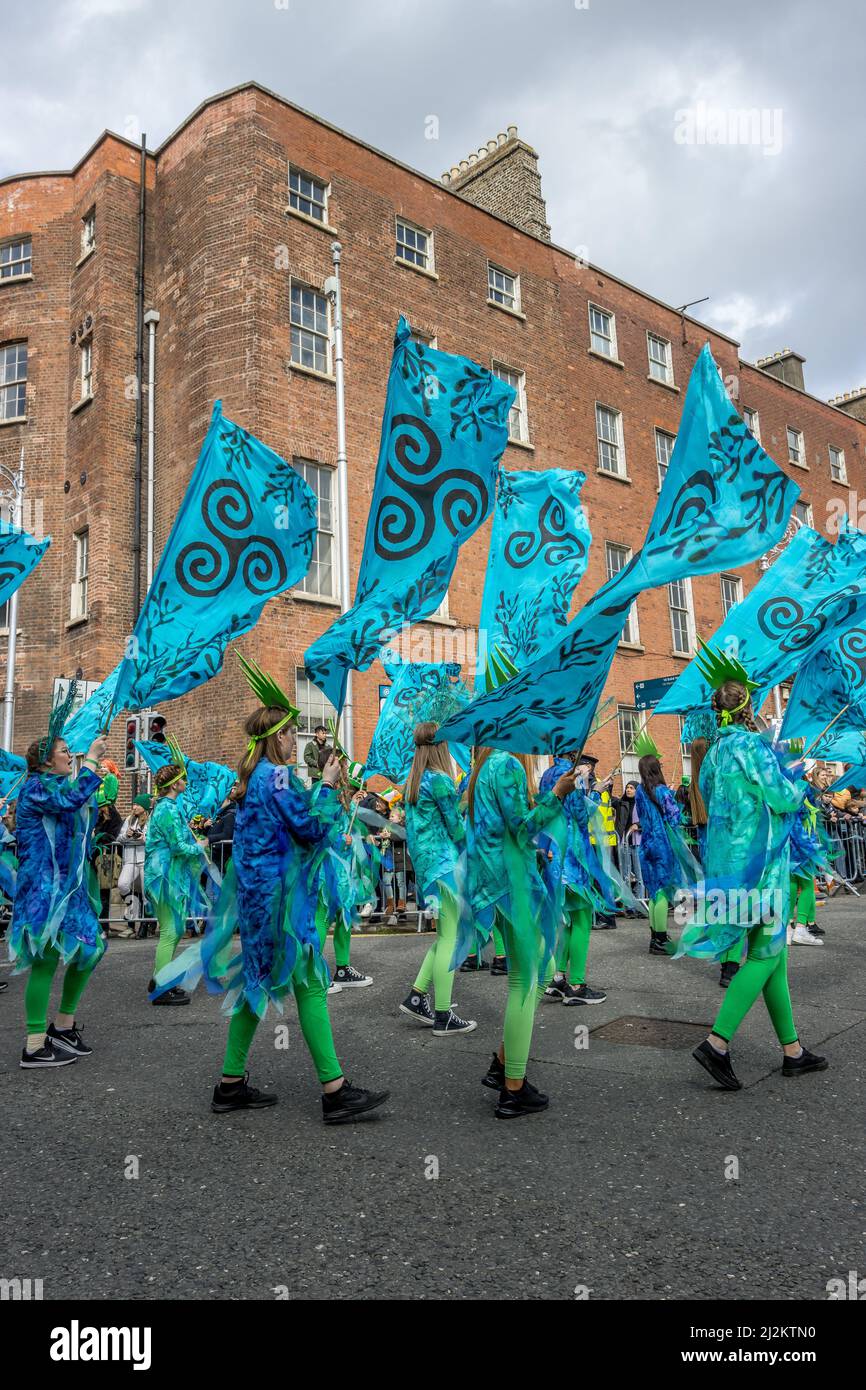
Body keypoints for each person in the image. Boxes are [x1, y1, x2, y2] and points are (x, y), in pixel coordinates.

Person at [153, 654, 389, 1123]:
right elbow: (310, 829)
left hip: (263, 904)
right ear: (278, 737)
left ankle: (232, 1084)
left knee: (260, 986)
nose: (294, 738)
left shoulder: (255, 778)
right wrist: (325, 784)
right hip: (281, 904)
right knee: (308, 985)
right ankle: (334, 1092)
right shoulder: (276, 776)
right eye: (290, 732)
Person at [675, 661, 828, 1090]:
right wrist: (799, 780)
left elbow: (710, 797)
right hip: (762, 870)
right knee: (763, 957)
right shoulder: (752, 747)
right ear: (748, 707)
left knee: (773, 960)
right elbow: (781, 798)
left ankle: (793, 1051)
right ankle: (717, 1043)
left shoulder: (713, 753)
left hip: (727, 868)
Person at [463, 745, 576, 1119]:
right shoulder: (508, 763)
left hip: (493, 881)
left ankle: (503, 1064)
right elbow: (523, 826)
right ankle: (513, 1089)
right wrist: (556, 795)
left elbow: (500, 828)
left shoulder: (483, 767)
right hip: (510, 884)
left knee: (535, 975)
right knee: (527, 982)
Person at [9, 682, 107, 1068]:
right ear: (46, 761)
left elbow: (79, 810)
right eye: (65, 751)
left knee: (92, 947)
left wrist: (87, 775)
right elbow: (69, 800)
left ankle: (62, 1027)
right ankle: (34, 1045)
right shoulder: (35, 789)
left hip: (68, 889)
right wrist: (94, 763)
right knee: (46, 959)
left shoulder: (52, 784)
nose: (72, 754)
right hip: (43, 891)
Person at [400, 721, 475, 1035]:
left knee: (444, 935)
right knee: (450, 939)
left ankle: (418, 996)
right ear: (441, 747)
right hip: (445, 866)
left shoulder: (413, 783)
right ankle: (443, 1014)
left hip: (426, 869)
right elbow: (456, 830)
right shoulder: (441, 781)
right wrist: (465, 807)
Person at [539, 750, 612, 1006]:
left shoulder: (548, 774)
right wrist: (593, 792)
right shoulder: (572, 775)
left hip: (553, 852)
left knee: (568, 920)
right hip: (571, 854)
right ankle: (577, 985)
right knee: (582, 917)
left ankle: (559, 976)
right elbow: (580, 816)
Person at [144, 750, 211, 1006]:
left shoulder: (170, 807)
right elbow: (178, 847)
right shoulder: (167, 810)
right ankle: (162, 986)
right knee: (171, 931)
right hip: (163, 875)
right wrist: (200, 846)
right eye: (183, 778)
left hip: (169, 873)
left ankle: (159, 978)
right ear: (175, 784)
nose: (186, 782)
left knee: (177, 927)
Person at [634, 735, 698, 956]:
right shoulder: (661, 791)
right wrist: (676, 800)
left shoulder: (641, 792)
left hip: (646, 844)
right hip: (662, 844)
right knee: (662, 892)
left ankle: (655, 935)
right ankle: (660, 939)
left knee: (653, 891)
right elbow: (674, 817)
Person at [118, 796, 151, 937]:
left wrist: (142, 838)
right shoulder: (128, 820)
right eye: (134, 804)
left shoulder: (151, 820)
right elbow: (119, 839)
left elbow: (151, 840)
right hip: (130, 860)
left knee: (145, 894)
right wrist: (127, 835)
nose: (134, 807)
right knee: (122, 884)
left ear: (144, 807)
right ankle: (133, 906)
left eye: (137, 804)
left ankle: (145, 925)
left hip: (145, 860)